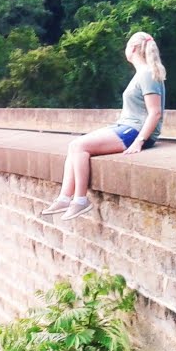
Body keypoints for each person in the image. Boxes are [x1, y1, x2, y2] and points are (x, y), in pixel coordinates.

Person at [43, 31, 166, 221]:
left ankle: (80, 200)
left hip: (134, 131)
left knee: (79, 146)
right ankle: (65, 198)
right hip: (125, 127)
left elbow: (155, 112)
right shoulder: (141, 74)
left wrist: (139, 141)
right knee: (74, 146)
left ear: (132, 48)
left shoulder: (147, 74)